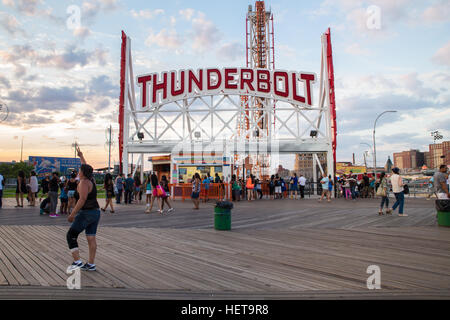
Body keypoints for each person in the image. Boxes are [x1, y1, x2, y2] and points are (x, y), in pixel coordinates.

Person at [67, 146, 101, 272]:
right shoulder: (91, 179)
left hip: (86, 213)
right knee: (91, 237)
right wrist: (81, 156)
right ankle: (91, 264)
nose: (78, 171)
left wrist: (72, 214)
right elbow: (85, 166)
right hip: (96, 212)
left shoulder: (83, 183)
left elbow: (82, 199)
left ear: (82, 173)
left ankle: (77, 261)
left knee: (71, 235)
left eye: (79, 170)